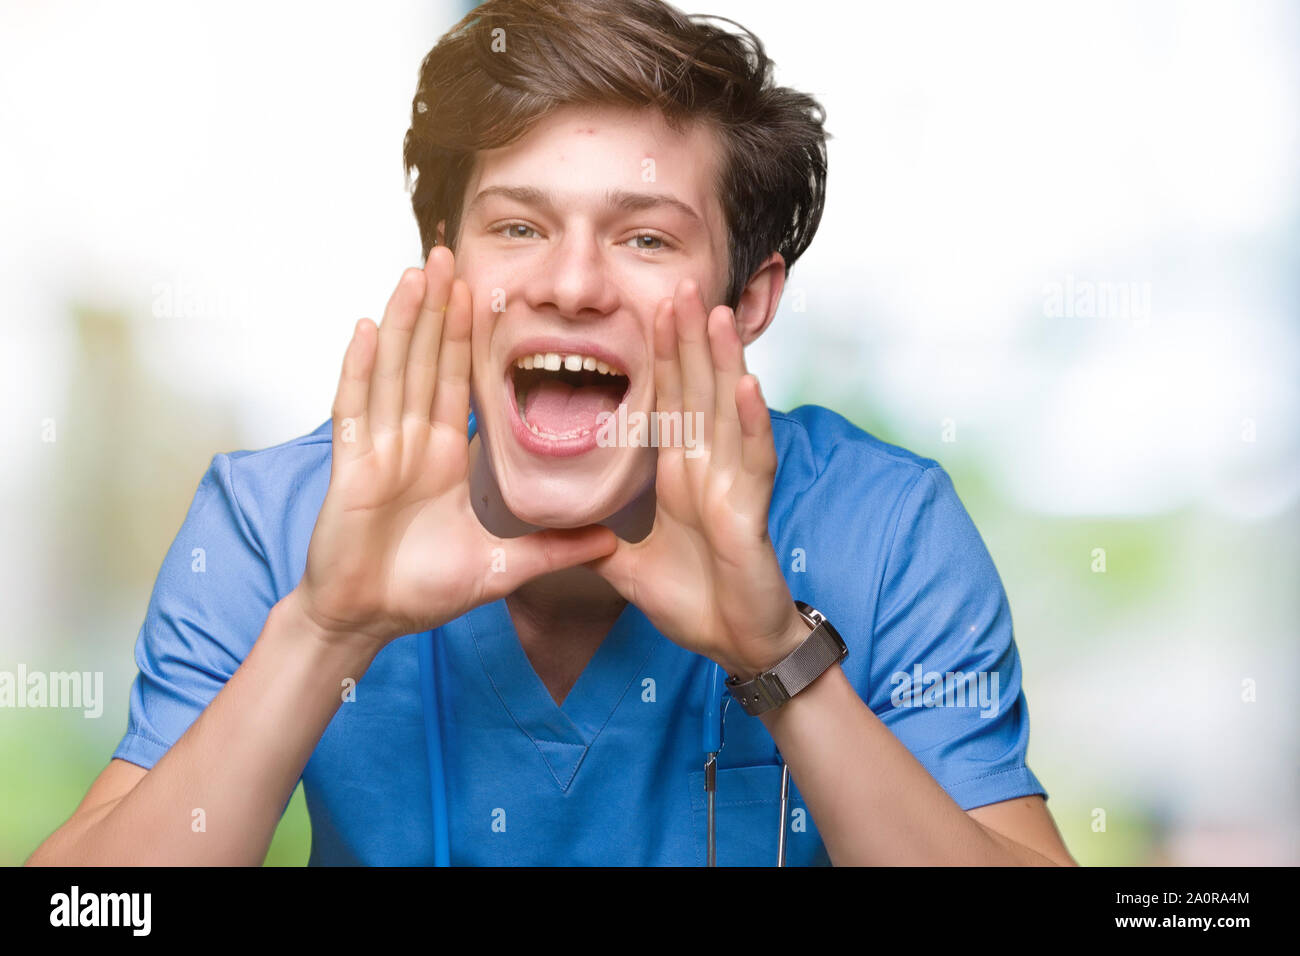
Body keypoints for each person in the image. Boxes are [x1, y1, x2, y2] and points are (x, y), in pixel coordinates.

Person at [27, 0, 1075, 866]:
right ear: (446, 261)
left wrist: (777, 658)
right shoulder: (270, 521)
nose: (570, 283)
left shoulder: (884, 527)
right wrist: (325, 630)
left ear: (748, 298)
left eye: (646, 236)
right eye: (518, 226)